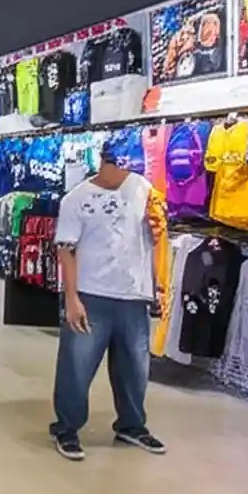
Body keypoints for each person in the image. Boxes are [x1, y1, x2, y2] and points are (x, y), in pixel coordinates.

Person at [50, 142, 167, 460]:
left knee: (135, 367)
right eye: (122, 164)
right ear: (105, 162)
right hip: (92, 294)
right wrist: (72, 298)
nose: (128, 171)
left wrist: (156, 284)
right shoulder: (76, 199)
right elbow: (66, 249)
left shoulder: (143, 188)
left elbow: (154, 235)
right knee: (76, 366)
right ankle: (67, 428)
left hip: (134, 295)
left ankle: (131, 425)